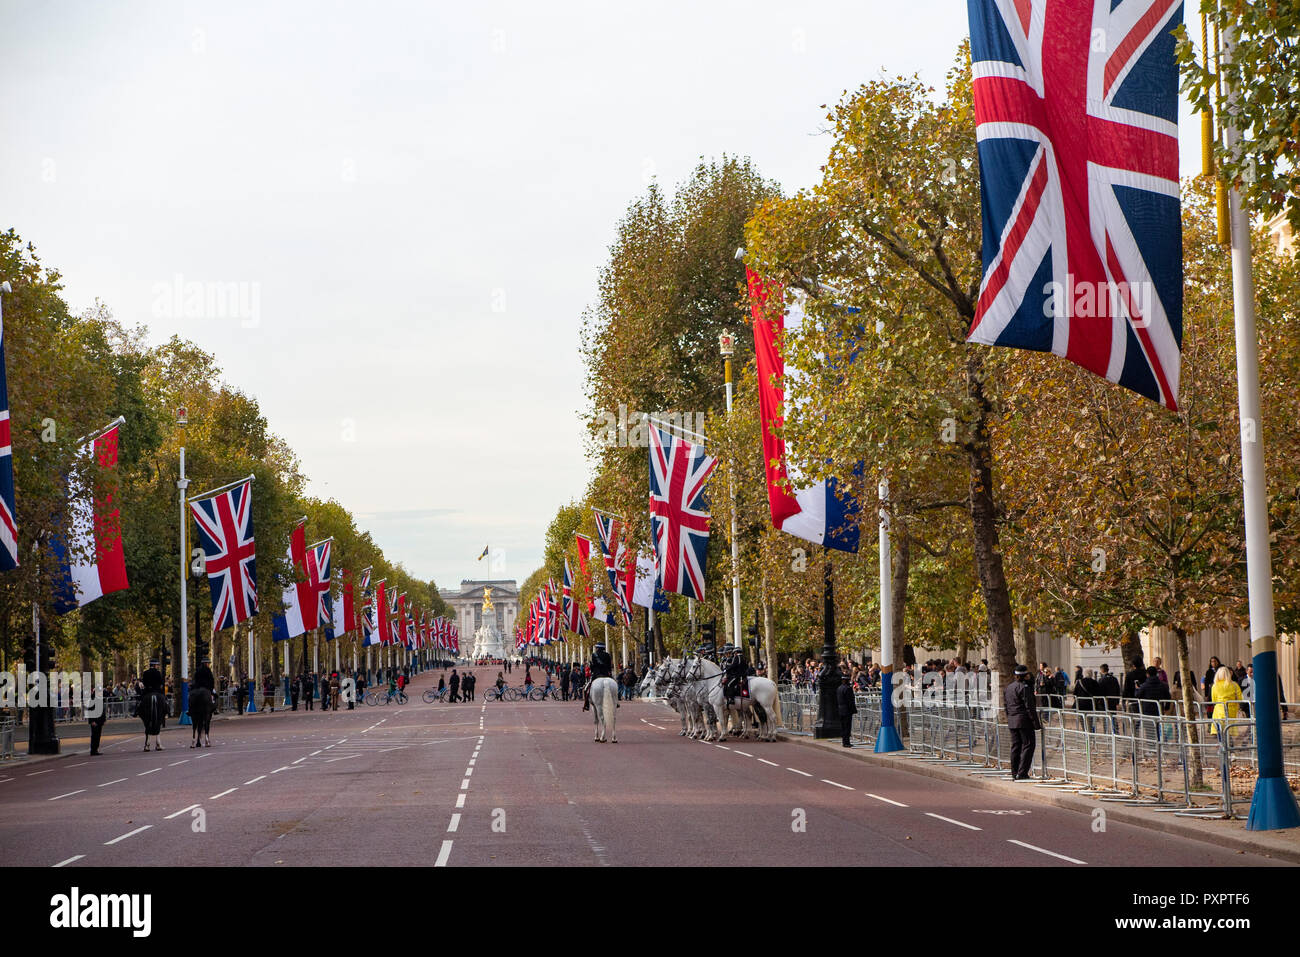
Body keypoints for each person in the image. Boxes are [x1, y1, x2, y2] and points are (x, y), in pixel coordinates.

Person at [1004, 665, 1040, 780]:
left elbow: (1006, 705)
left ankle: (1014, 772)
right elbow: (1030, 707)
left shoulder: (1009, 687)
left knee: (1016, 746)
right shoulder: (1024, 688)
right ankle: (1022, 772)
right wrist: (1036, 723)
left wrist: (1009, 717)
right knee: (1028, 745)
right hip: (1024, 721)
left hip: (1012, 720)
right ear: (1026, 675)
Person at [1209, 666, 1242, 739]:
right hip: (1231, 710)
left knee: (1220, 729)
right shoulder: (1234, 685)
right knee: (1229, 729)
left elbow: (1214, 700)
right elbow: (1240, 698)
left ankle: (1222, 746)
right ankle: (1229, 745)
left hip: (1219, 710)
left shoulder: (1215, 686)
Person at [583, 641, 613, 712]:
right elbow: (609, 666)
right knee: (614, 686)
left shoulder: (593, 655)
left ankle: (586, 704)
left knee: (586, 689)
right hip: (606, 674)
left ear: (597, 648)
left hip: (596, 674)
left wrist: (592, 670)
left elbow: (592, 666)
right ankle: (616, 702)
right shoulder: (607, 655)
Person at [836, 675, 857, 748]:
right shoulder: (848, 689)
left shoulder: (839, 688)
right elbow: (850, 700)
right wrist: (853, 709)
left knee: (843, 726)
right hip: (847, 710)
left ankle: (844, 741)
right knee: (847, 727)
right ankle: (846, 742)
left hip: (840, 709)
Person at [88, 686, 108, 756]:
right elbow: (90, 711)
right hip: (95, 721)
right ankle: (93, 750)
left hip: (99, 721)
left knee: (98, 736)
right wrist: (92, 721)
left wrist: (104, 719)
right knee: (94, 736)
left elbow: (103, 710)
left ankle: (96, 749)